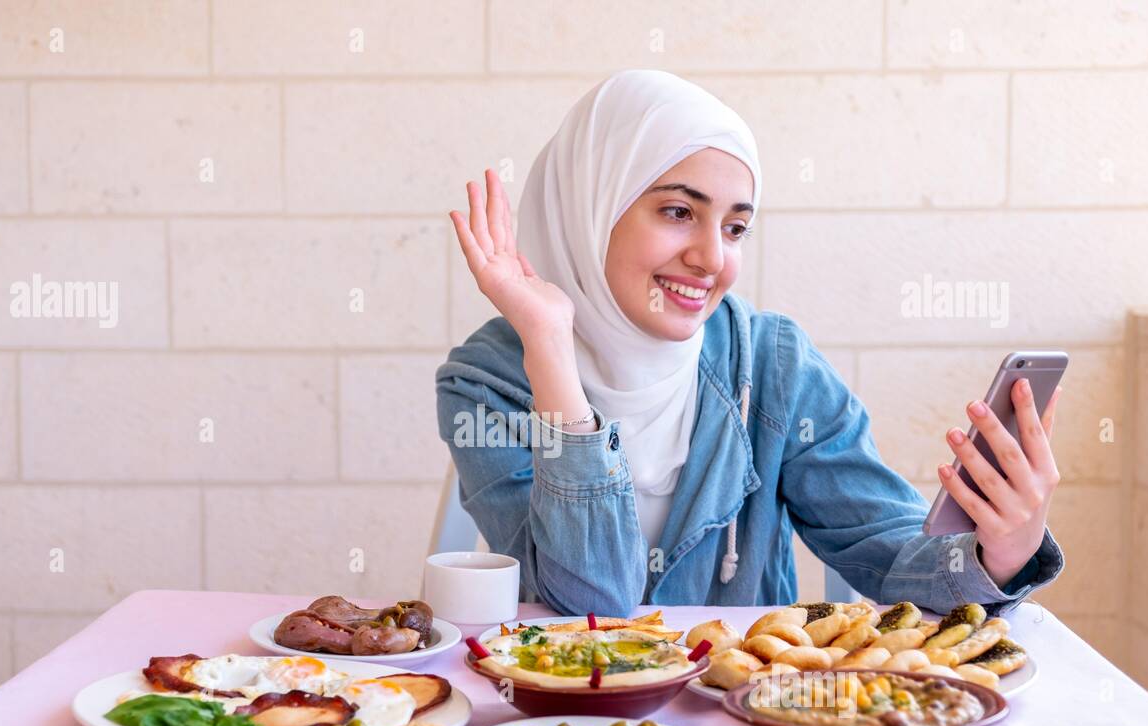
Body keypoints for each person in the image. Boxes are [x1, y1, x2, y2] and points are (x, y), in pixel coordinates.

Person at [435, 69, 1064, 617]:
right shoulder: (486, 382)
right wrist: (549, 347)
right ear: (590, 207)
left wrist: (999, 552)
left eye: (735, 227)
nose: (712, 258)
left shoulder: (772, 364)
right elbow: (593, 605)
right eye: (678, 211)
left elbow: (887, 546)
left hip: (752, 719)